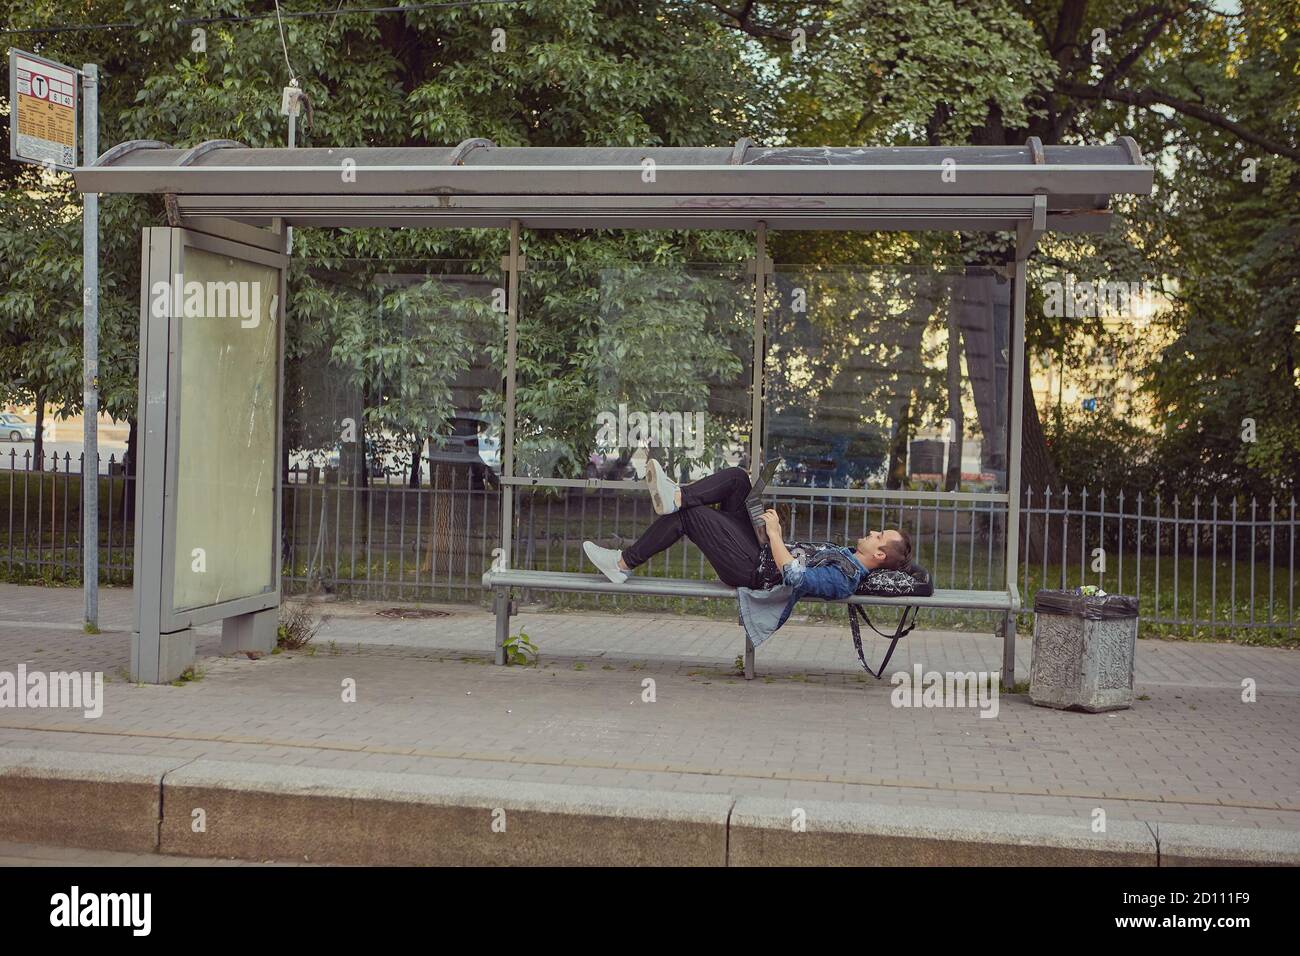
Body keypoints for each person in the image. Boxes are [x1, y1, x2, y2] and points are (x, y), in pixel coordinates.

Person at [583, 462, 912, 611]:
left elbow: (795, 577)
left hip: (752, 568)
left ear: (879, 555)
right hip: (761, 549)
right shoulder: (846, 556)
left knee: (693, 518)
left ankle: (623, 563)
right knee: (739, 480)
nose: (871, 532)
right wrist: (765, 530)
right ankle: (678, 496)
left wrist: (775, 534)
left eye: (879, 535)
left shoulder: (845, 577)